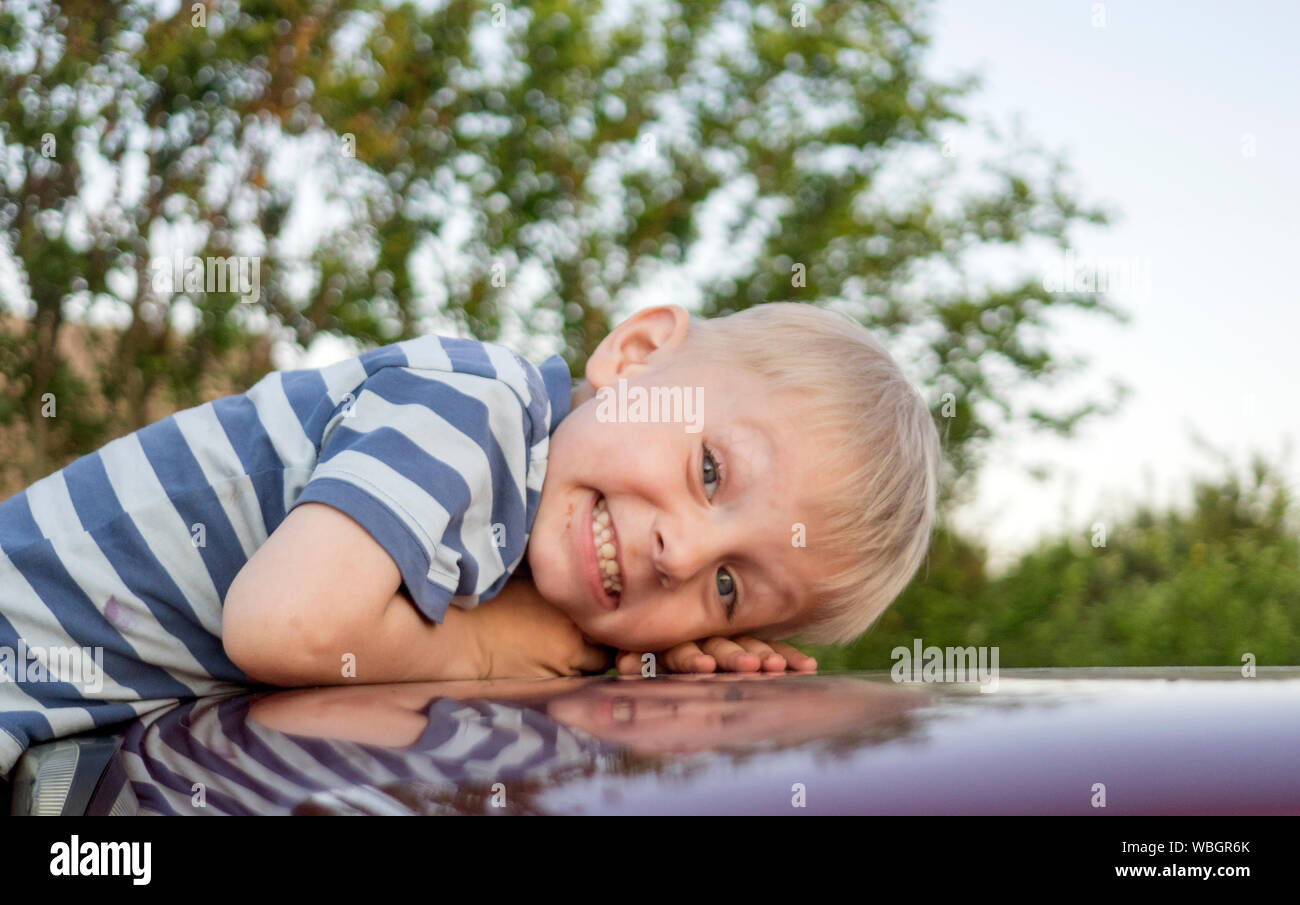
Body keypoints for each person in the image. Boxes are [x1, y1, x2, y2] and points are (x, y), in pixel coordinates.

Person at [0, 301, 940, 779]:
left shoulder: (509, 537)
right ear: (638, 355)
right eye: (709, 472)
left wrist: (645, 671)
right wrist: (507, 649)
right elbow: (283, 625)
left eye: (732, 587)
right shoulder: (469, 409)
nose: (682, 554)